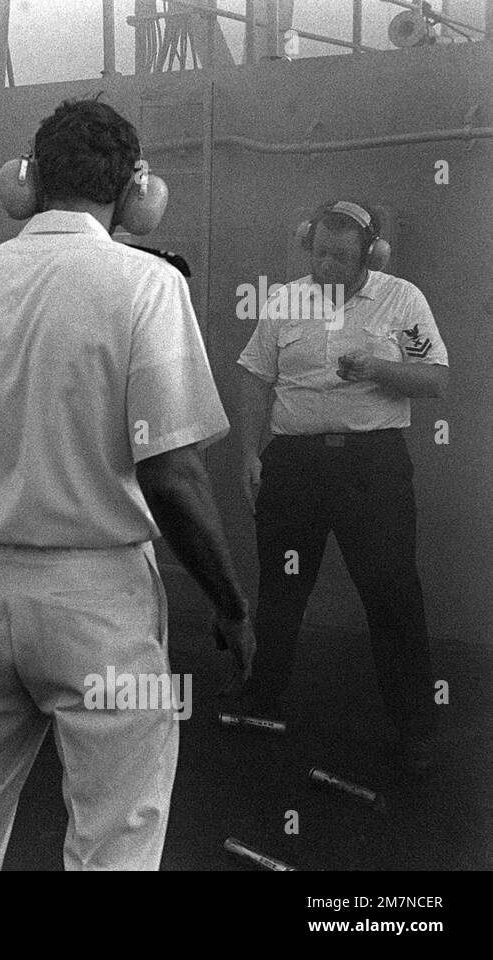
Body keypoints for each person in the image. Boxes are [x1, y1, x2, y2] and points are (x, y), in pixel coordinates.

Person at [0, 98, 255, 871]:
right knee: (114, 837)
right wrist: (231, 604)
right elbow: (172, 471)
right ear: (138, 192)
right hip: (99, 602)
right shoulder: (146, 286)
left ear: (26, 184)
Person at [234, 199, 448, 772]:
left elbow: (434, 380)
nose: (327, 265)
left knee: (392, 594)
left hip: (370, 467)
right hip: (293, 465)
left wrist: (378, 368)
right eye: (320, 253)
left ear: (369, 255)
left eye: (341, 256)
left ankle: (413, 728)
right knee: (280, 587)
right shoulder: (283, 301)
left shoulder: (402, 300)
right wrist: (250, 455)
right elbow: (257, 379)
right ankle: (261, 699)